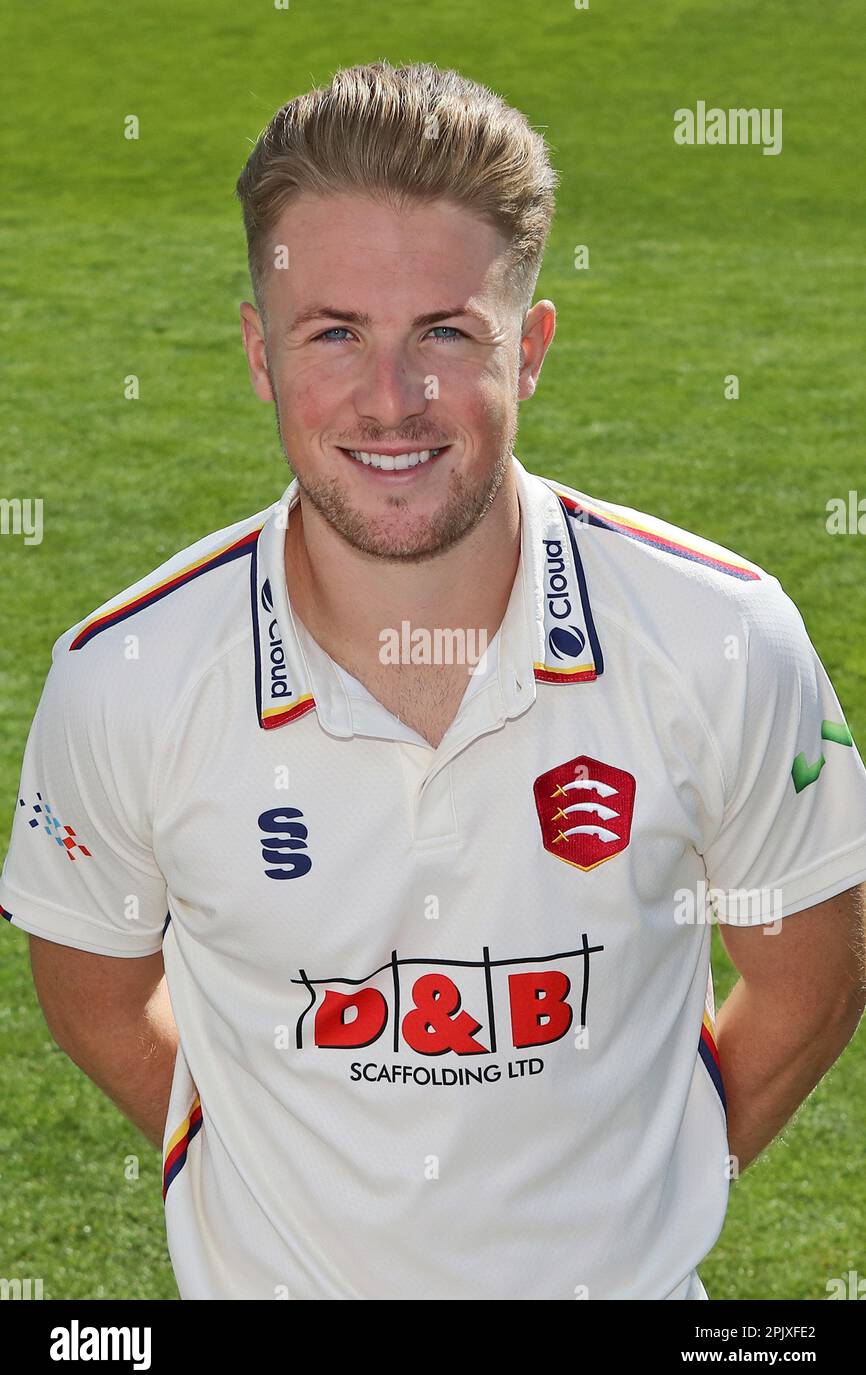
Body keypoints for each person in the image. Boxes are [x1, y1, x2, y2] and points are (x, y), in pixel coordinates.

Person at [3, 60, 866, 1301]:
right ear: (260, 352)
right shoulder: (124, 673)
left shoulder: (720, 636)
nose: (390, 400)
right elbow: (91, 987)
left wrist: (644, 1192)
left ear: (532, 350)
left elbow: (808, 976)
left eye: (446, 333)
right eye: (334, 332)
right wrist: (245, 1164)